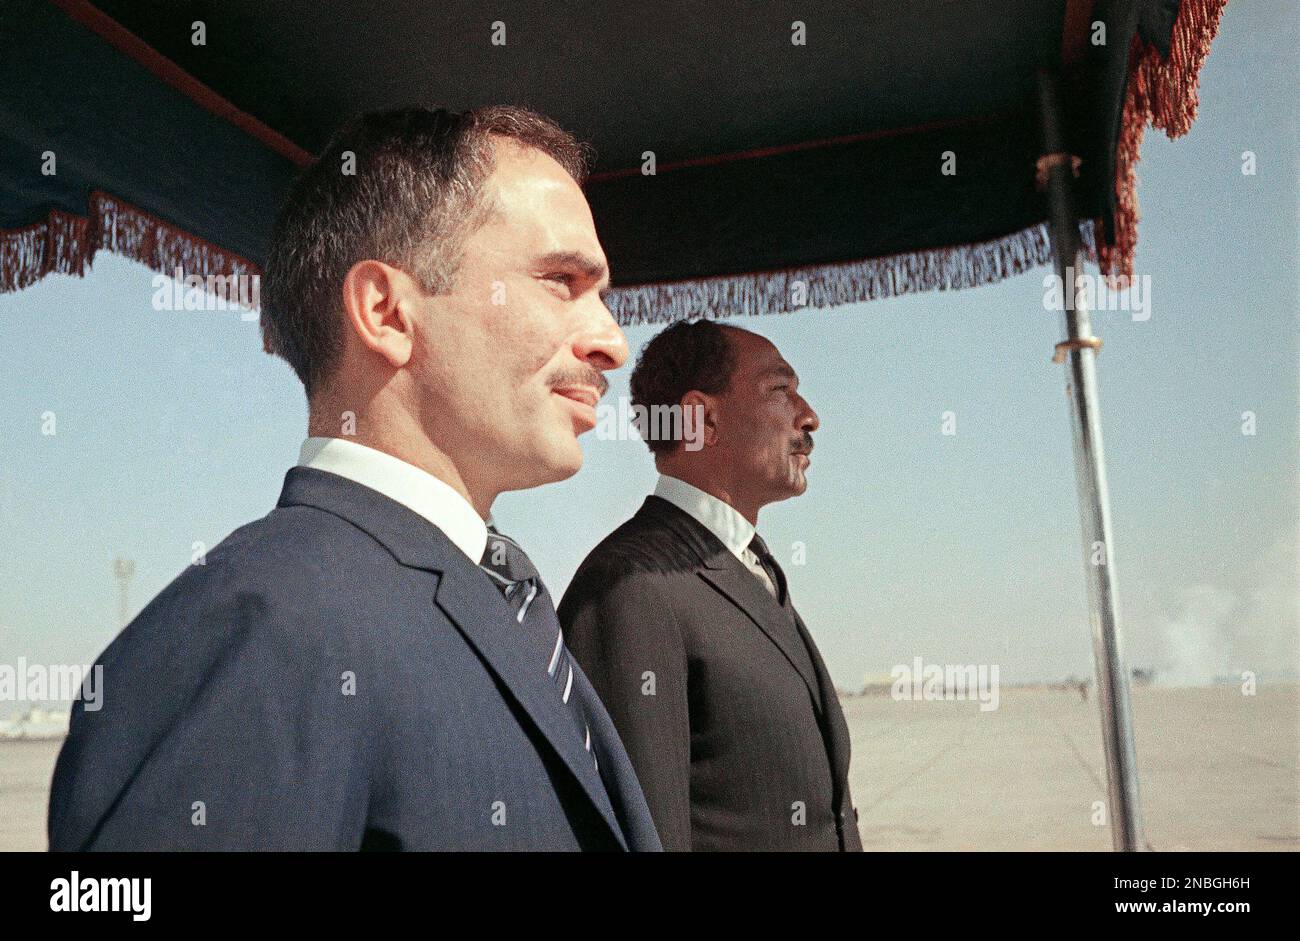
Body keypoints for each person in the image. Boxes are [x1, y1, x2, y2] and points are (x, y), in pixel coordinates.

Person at [48, 106, 660, 852]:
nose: (612, 342)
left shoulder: (497, 600)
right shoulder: (259, 630)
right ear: (386, 312)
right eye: (562, 279)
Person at [560, 320, 862, 851]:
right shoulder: (632, 584)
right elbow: (646, 834)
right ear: (702, 417)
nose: (809, 416)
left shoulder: (750, 567)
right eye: (781, 390)